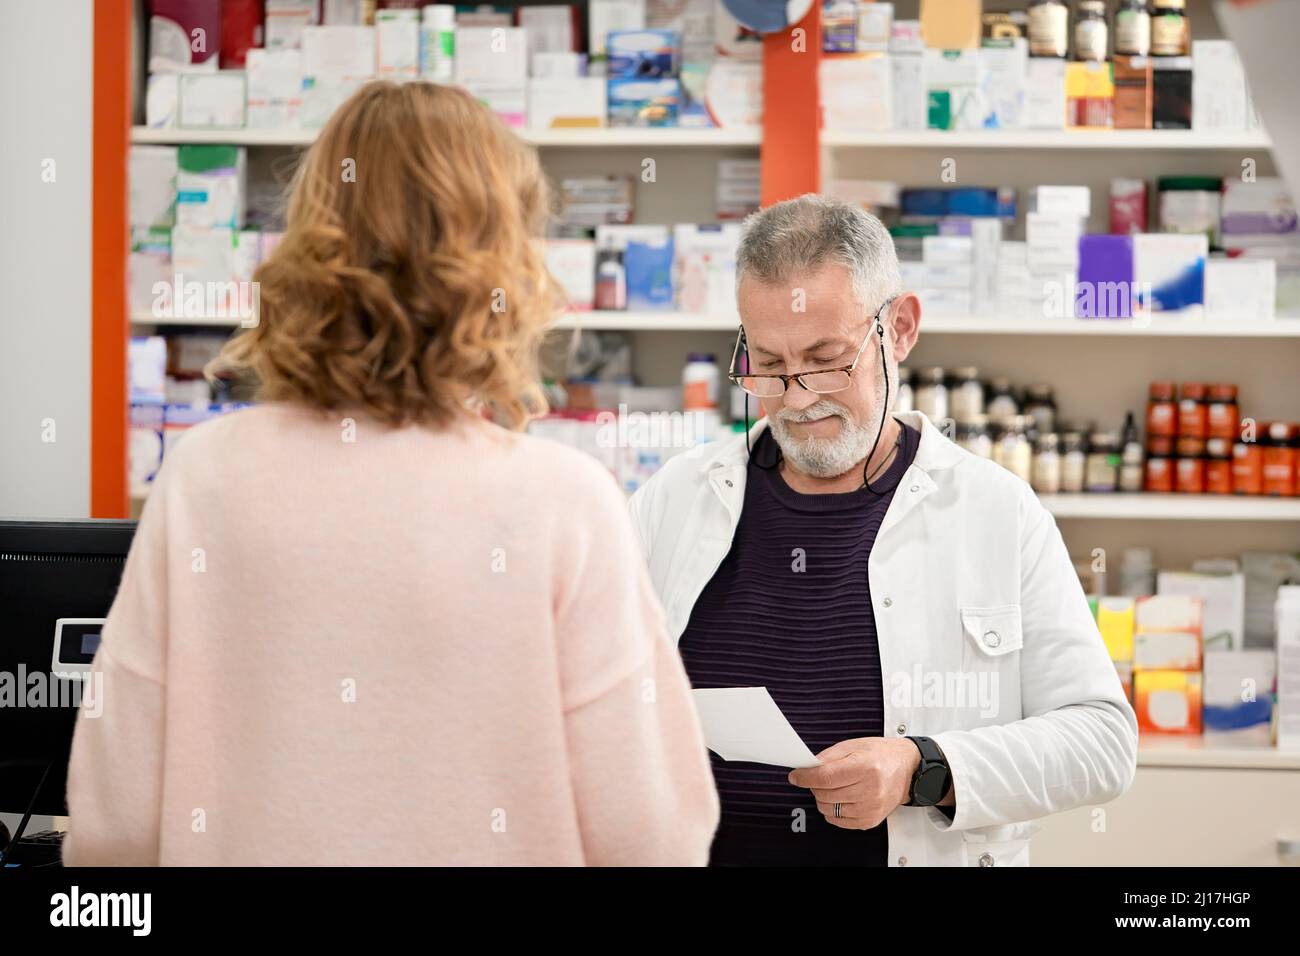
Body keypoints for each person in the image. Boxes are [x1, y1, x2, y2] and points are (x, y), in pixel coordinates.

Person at [63, 81, 718, 866]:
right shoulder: (564, 501)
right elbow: (650, 834)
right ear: (507, 262)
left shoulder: (204, 476)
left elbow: (116, 826)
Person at [628, 194, 1138, 867]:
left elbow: (1101, 743)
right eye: (769, 366)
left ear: (898, 329)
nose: (798, 398)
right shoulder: (675, 499)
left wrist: (923, 768)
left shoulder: (995, 511)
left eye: (826, 359)